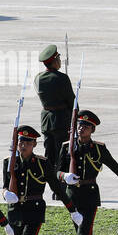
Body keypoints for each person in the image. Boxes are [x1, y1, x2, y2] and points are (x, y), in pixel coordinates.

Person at [0, 125, 80, 235]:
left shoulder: (42, 163)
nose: (23, 145)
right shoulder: (9, 161)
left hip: (34, 211)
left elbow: (57, 188)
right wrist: (5, 194)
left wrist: (72, 210)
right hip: (14, 212)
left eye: (27, 142)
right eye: (21, 141)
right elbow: (5, 185)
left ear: (35, 144)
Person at [35, 44, 74, 196]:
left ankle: (48, 186)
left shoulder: (38, 78)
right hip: (61, 120)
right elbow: (71, 101)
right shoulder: (62, 78)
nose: (60, 61)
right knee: (61, 155)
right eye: (58, 58)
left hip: (46, 121)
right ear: (54, 60)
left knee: (49, 156)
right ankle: (59, 189)